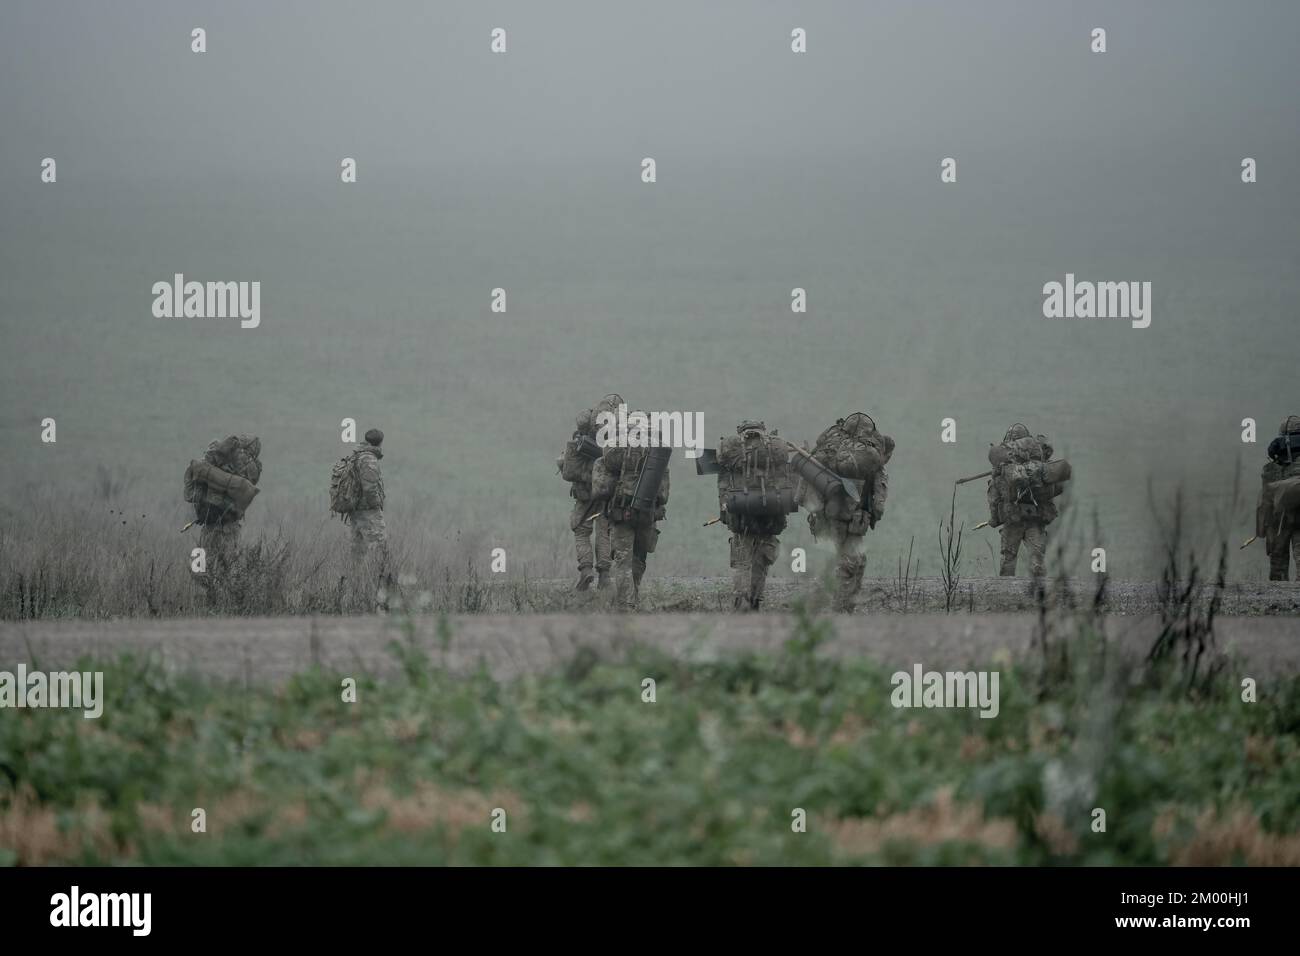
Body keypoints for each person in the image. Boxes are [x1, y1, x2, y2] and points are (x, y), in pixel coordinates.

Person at [800, 413, 891, 612]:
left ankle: (827, 603)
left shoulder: (828, 449)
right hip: (855, 519)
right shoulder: (872, 458)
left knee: (842, 559)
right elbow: (879, 503)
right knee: (851, 561)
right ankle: (841, 607)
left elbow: (808, 487)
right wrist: (874, 514)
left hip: (827, 515)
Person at [591, 412, 669, 610]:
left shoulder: (617, 450)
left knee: (622, 561)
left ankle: (626, 606)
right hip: (646, 514)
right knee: (639, 558)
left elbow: (605, 474)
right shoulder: (656, 452)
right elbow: (663, 495)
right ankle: (634, 598)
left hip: (621, 512)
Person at [713, 420, 795, 610]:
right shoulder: (773, 452)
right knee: (761, 564)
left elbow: (723, 486)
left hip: (742, 517)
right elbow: (788, 481)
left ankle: (740, 604)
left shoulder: (733, 452)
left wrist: (725, 513)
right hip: (770, 517)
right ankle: (755, 603)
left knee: (743, 563)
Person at [559, 394, 621, 590]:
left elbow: (568, 471)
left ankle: (586, 570)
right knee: (604, 533)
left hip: (585, 495)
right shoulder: (613, 438)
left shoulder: (582, 439)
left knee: (581, 531)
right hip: (604, 493)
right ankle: (604, 576)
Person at [1259, 415, 1300, 581]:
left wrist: (1263, 526)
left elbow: (1266, 499)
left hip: (1279, 518)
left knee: (1278, 559)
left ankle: (1278, 593)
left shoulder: (1270, 468)